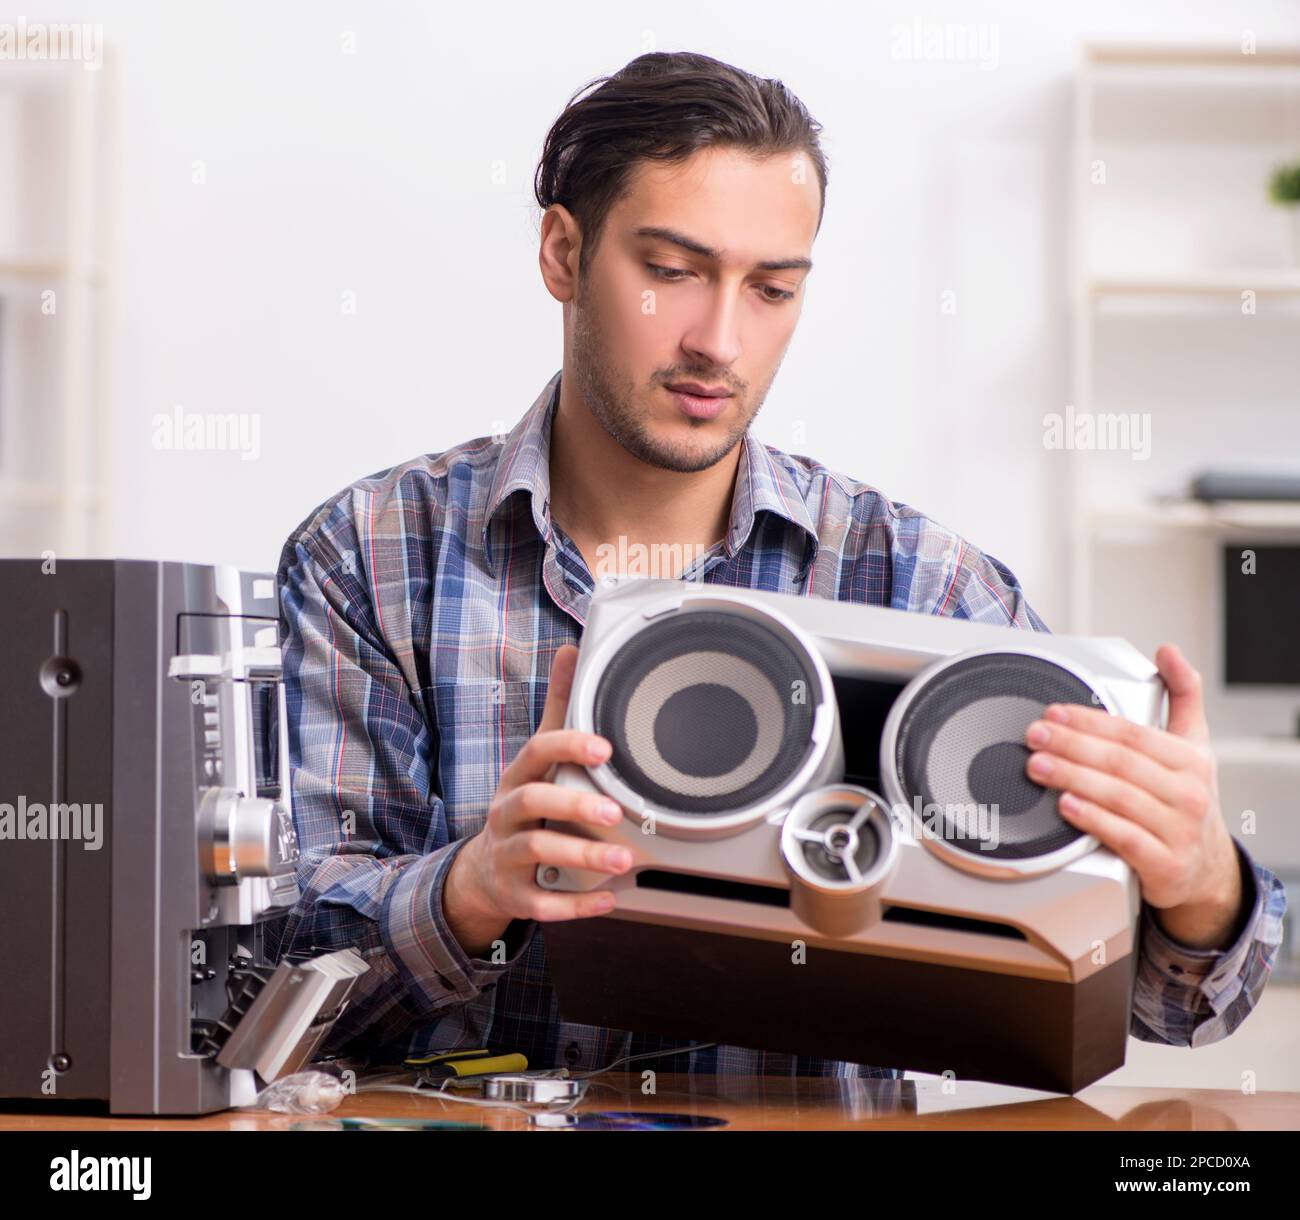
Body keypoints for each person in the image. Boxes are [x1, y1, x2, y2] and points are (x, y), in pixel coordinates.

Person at [274, 50, 1286, 1077]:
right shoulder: (373, 554)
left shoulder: (918, 580)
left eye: (771, 288)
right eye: (671, 272)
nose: (720, 339)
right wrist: (471, 887)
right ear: (562, 254)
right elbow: (272, 978)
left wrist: (1196, 877)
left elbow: (1171, 1010)